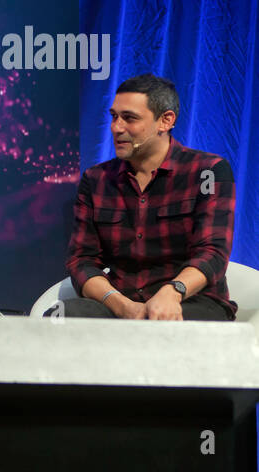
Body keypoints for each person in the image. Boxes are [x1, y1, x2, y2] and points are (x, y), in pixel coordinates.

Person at [63, 74, 235, 321]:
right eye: (114, 117)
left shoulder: (208, 171)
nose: (116, 127)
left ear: (165, 121)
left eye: (129, 118)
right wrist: (122, 305)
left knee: (167, 324)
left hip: (190, 301)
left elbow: (212, 252)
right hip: (123, 304)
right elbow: (81, 261)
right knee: (63, 317)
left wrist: (172, 292)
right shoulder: (96, 179)